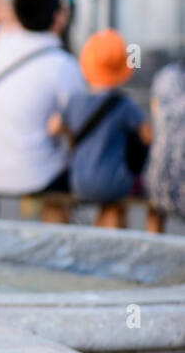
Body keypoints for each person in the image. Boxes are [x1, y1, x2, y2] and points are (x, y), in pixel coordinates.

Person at [0, 0, 85, 223]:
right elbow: (79, 122)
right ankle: (60, 248)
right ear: (59, 18)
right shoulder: (62, 65)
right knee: (66, 167)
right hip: (34, 174)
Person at [47, 30, 159, 230]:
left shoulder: (75, 100)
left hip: (79, 180)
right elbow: (148, 136)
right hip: (114, 183)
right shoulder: (124, 104)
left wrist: (70, 133)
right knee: (119, 202)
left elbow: (53, 127)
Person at [146, 59, 185, 232]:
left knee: (155, 211)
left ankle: (152, 252)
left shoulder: (165, 76)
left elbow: (155, 119)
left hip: (158, 181)